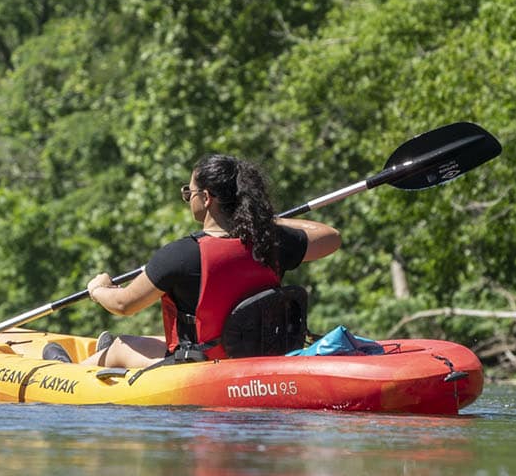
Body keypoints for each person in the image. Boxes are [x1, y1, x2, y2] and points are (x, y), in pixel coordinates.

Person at [77, 153, 340, 370]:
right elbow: (330, 238)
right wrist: (266, 222)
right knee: (154, 341)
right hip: (259, 361)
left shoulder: (181, 255)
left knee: (122, 344)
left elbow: (124, 304)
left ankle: (67, 371)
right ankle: (93, 355)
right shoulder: (272, 242)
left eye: (188, 193)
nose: (188, 199)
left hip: (199, 367)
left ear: (206, 197)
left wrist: (99, 289)